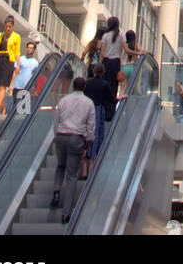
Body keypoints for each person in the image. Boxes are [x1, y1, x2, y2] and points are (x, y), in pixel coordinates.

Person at [50, 75, 95, 222]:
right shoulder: (89, 103)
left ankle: (56, 192)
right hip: (77, 138)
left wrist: (57, 135)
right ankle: (66, 213)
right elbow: (91, 126)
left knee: (60, 166)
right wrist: (88, 143)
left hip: (62, 135)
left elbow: (56, 119)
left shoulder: (63, 100)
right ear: (84, 88)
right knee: (72, 176)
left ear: (73, 86)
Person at [83, 62, 115, 175]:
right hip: (98, 111)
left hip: (86, 111)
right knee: (96, 136)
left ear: (94, 71)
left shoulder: (87, 83)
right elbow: (112, 99)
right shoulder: (105, 84)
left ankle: (83, 171)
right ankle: (92, 169)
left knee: (86, 135)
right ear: (103, 72)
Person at [11, 39, 40, 108]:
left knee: (24, 109)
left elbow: (35, 77)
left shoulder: (35, 63)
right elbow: (14, 72)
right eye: (28, 47)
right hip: (17, 87)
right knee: (15, 108)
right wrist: (11, 85)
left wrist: (36, 89)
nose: (29, 49)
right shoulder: (20, 59)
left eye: (31, 48)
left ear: (34, 50)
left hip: (28, 88)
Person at [117, 29, 146, 98]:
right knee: (133, 89)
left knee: (122, 89)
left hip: (123, 68)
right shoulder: (136, 45)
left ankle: (119, 105)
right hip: (133, 67)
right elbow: (142, 52)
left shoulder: (123, 45)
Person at [100, 16, 124, 98]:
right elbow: (126, 50)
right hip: (115, 63)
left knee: (104, 83)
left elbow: (102, 53)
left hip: (106, 62)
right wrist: (139, 52)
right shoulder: (121, 35)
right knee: (114, 85)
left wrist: (99, 64)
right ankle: (112, 104)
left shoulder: (105, 36)